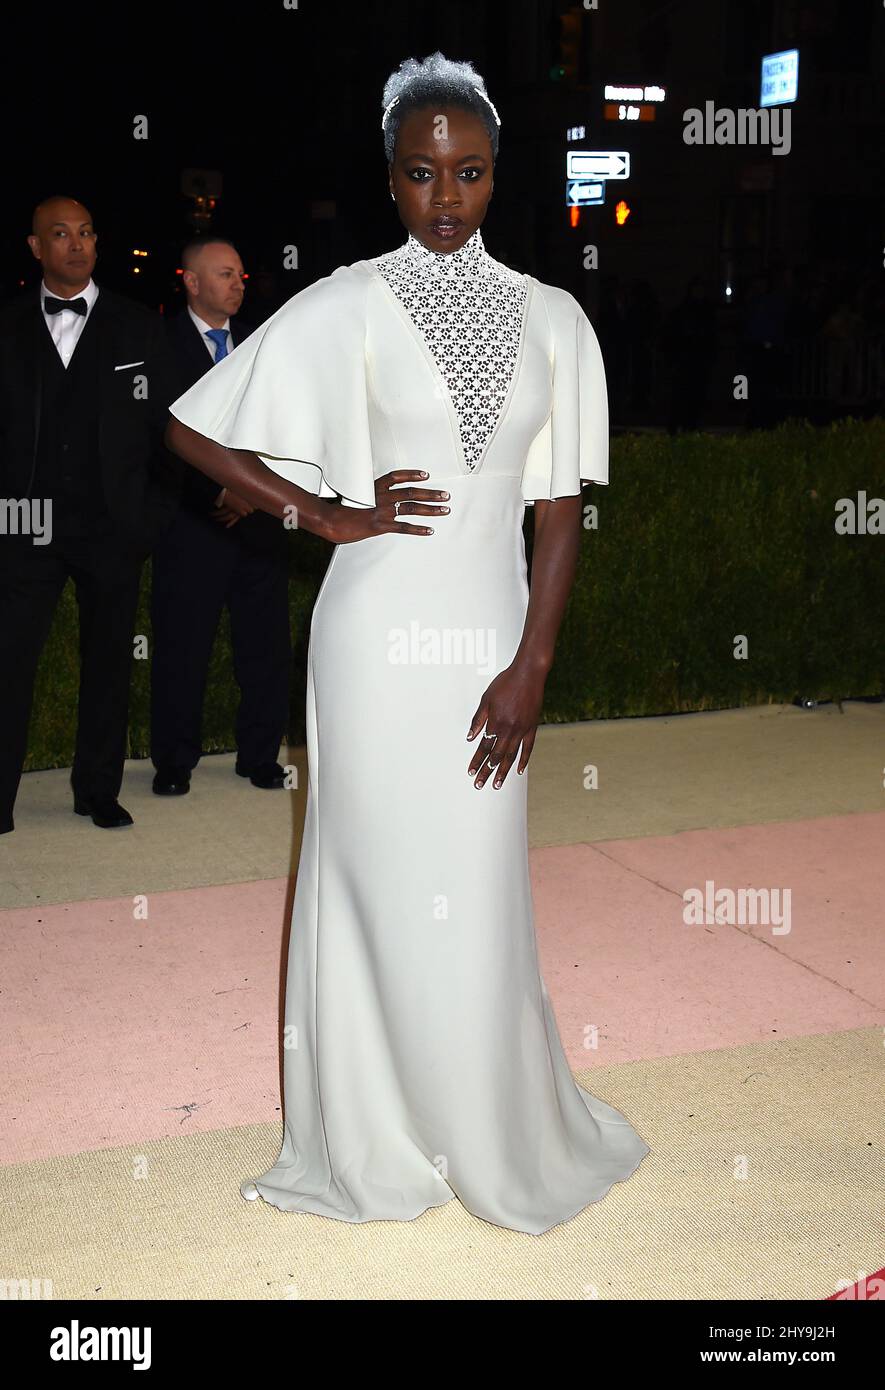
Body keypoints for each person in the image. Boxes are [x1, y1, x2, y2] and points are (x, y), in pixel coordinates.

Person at [165, 52, 650, 1235]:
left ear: (496, 175)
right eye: (423, 174)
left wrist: (533, 663)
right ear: (391, 180)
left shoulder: (554, 318)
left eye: (470, 172)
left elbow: (557, 509)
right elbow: (192, 429)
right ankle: (370, 1134)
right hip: (373, 636)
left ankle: (488, 1125)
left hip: (490, 636)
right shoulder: (345, 301)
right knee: (371, 875)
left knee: (476, 879)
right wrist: (318, 514)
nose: (448, 195)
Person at [0, 196, 178, 834]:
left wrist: (150, 513)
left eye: (85, 233)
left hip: (113, 522)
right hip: (27, 523)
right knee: (10, 660)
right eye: (60, 234)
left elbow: (170, 428)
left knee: (109, 662)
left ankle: (97, 790)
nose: (76, 245)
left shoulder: (140, 327)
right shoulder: (8, 326)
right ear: (35, 248)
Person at [150, 237, 291, 796]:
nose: (238, 284)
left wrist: (257, 493)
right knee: (183, 646)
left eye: (240, 276)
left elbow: (282, 424)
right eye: (226, 274)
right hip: (192, 524)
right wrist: (217, 493)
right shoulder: (160, 345)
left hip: (258, 525)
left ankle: (259, 757)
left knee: (264, 647)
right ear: (191, 281)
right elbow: (157, 437)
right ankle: (173, 763)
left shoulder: (261, 344)